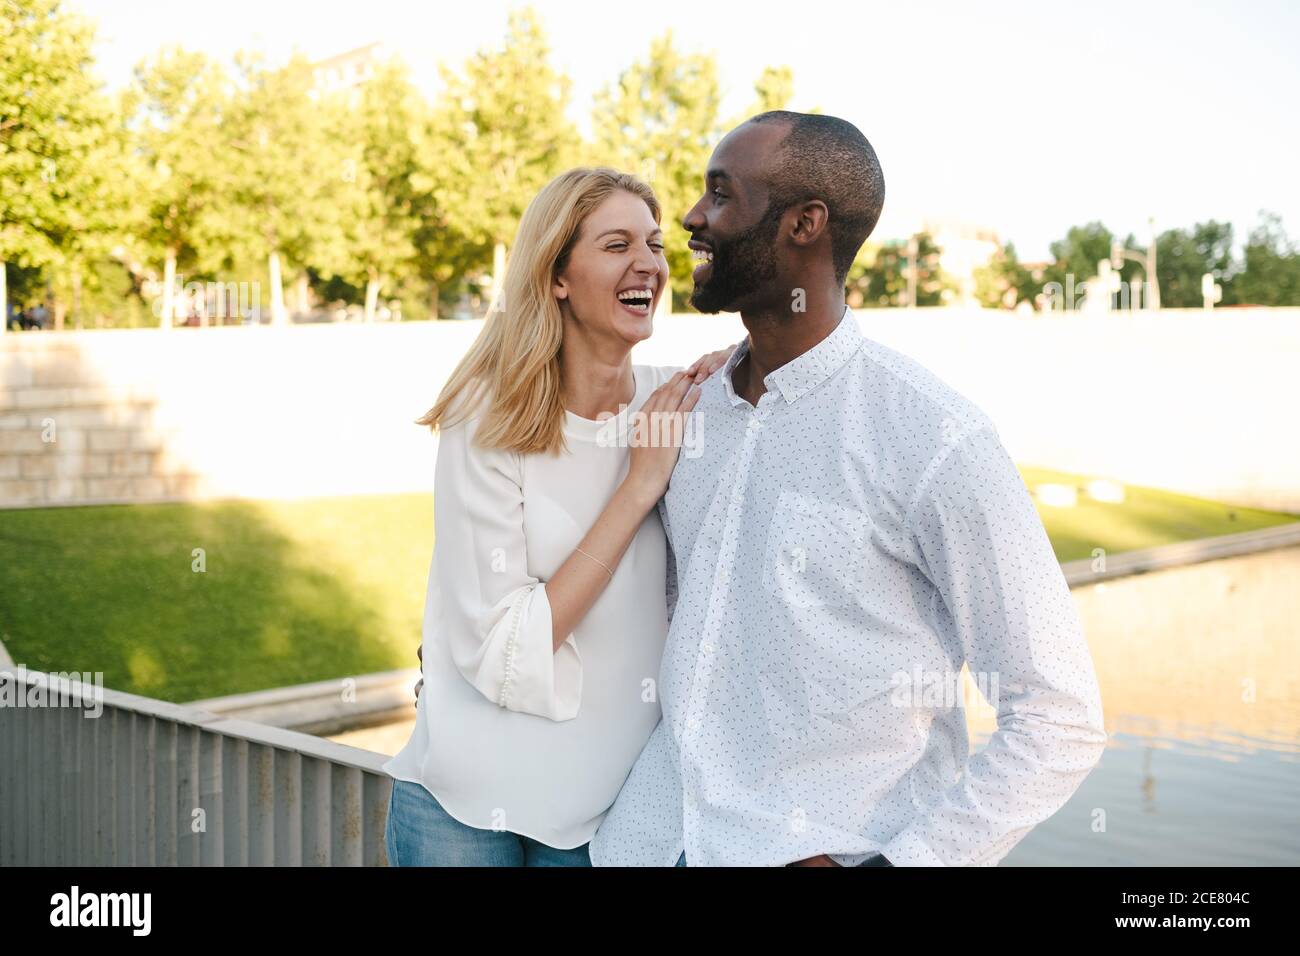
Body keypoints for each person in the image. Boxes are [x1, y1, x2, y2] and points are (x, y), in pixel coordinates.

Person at [590, 111, 1107, 867]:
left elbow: (1058, 714)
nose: (693, 219)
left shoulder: (936, 439)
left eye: (722, 195)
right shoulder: (685, 410)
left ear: (805, 224)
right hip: (642, 843)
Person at [382, 167, 731, 866]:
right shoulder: (485, 420)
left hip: (614, 816)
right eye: (616, 244)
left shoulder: (686, 403)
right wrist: (637, 489)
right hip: (465, 807)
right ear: (557, 277)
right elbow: (508, 651)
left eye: (656, 244)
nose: (649, 263)